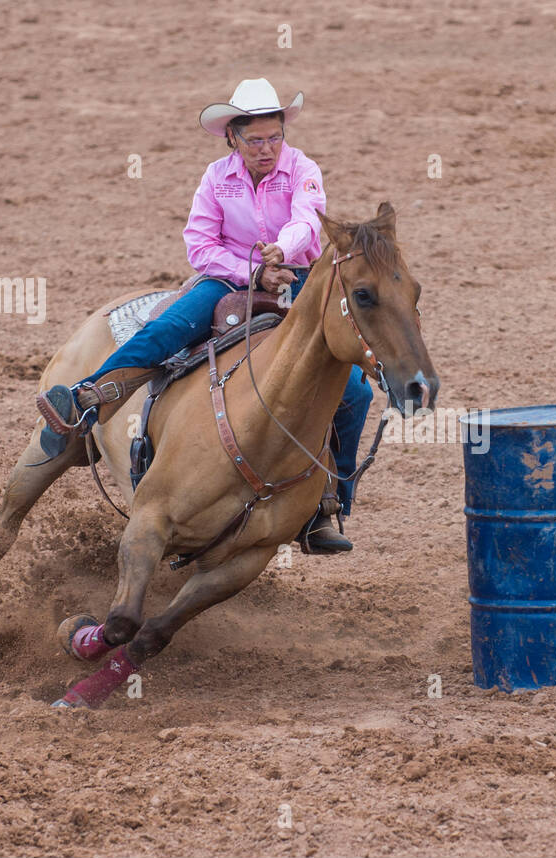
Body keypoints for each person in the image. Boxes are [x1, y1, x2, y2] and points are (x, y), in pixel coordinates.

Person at [36, 78, 370, 553]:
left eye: (275, 137)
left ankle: (328, 508)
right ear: (232, 138)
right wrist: (253, 271)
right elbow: (200, 245)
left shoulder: (303, 169)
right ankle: (90, 395)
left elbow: (306, 217)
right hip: (230, 278)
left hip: (296, 277)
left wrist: (281, 253)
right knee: (169, 328)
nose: (267, 149)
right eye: (255, 140)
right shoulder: (216, 178)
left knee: (353, 390)